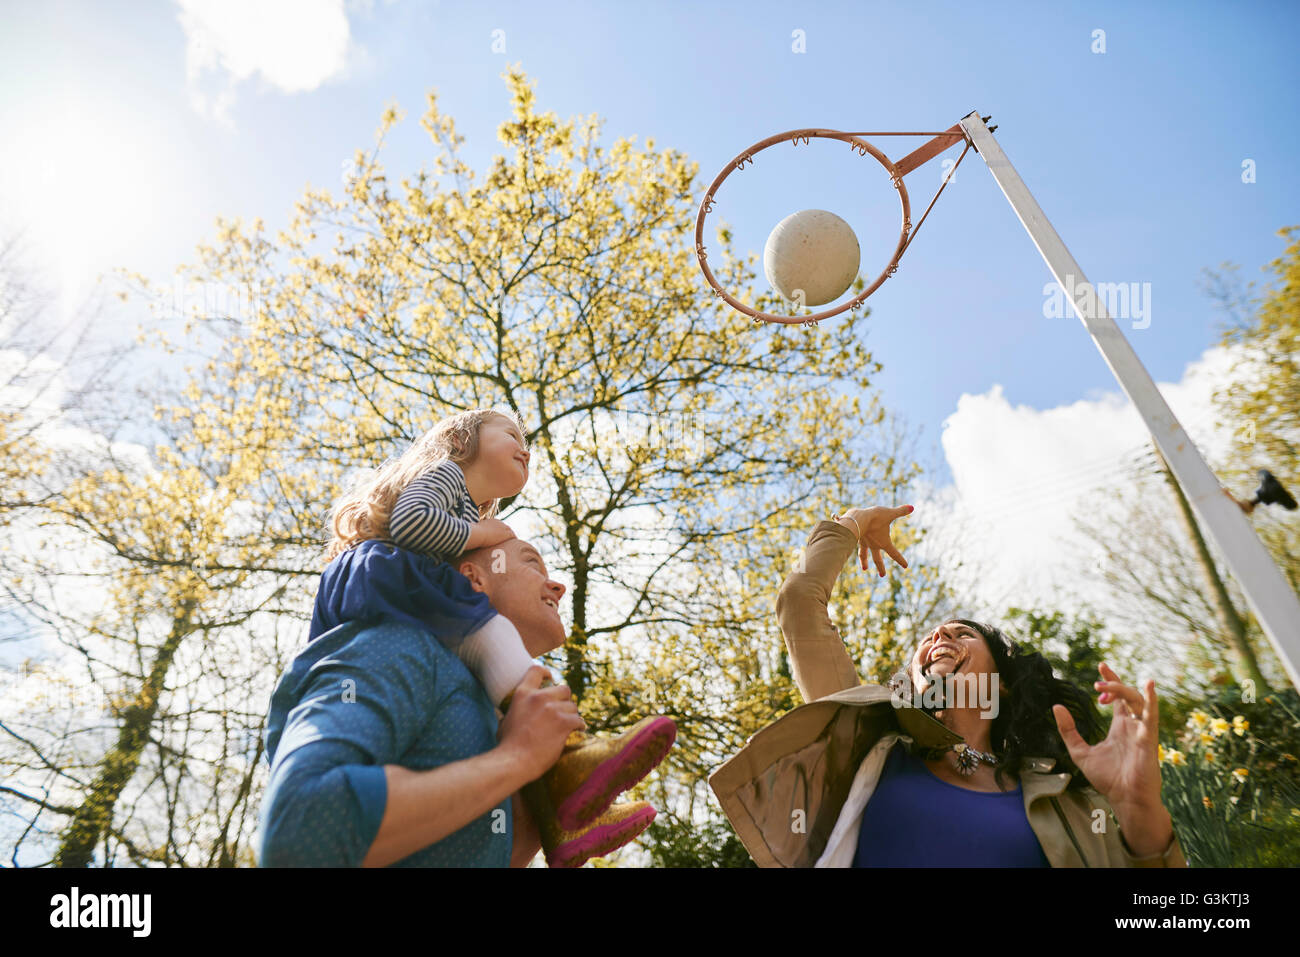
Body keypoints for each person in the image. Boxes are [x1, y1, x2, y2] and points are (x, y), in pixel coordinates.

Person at [710, 505, 1188, 868]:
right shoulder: (865, 742)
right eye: (932, 637)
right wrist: (852, 523)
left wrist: (1140, 807)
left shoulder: (1066, 799)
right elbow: (799, 602)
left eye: (964, 634)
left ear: (1000, 687)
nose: (941, 635)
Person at [257, 535, 658, 866]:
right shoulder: (398, 646)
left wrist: (530, 804)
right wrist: (517, 759)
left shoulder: (494, 715)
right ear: (473, 578)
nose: (558, 586)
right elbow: (300, 829)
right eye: (532, 564)